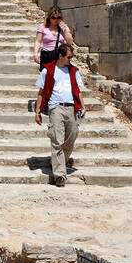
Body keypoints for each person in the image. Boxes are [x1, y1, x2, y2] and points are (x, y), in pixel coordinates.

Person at [34, 44, 85, 187]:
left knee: (72, 136)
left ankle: (59, 161)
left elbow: (78, 90)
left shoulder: (74, 70)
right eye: (69, 57)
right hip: (55, 107)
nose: (71, 59)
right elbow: (41, 92)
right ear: (61, 56)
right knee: (57, 139)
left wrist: (83, 106)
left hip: (71, 108)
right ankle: (60, 175)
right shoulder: (48, 70)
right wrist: (37, 111)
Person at [32, 5, 73, 70]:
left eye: (58, 17)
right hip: (47, 56)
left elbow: (70, 42)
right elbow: (38, 41)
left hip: (59, 57)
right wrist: (35, 53)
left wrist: (65, 30)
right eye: (53, 18)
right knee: (46, 77)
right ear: (49, 17)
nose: (56, 20)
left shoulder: (64, 27)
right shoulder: (42, 27)